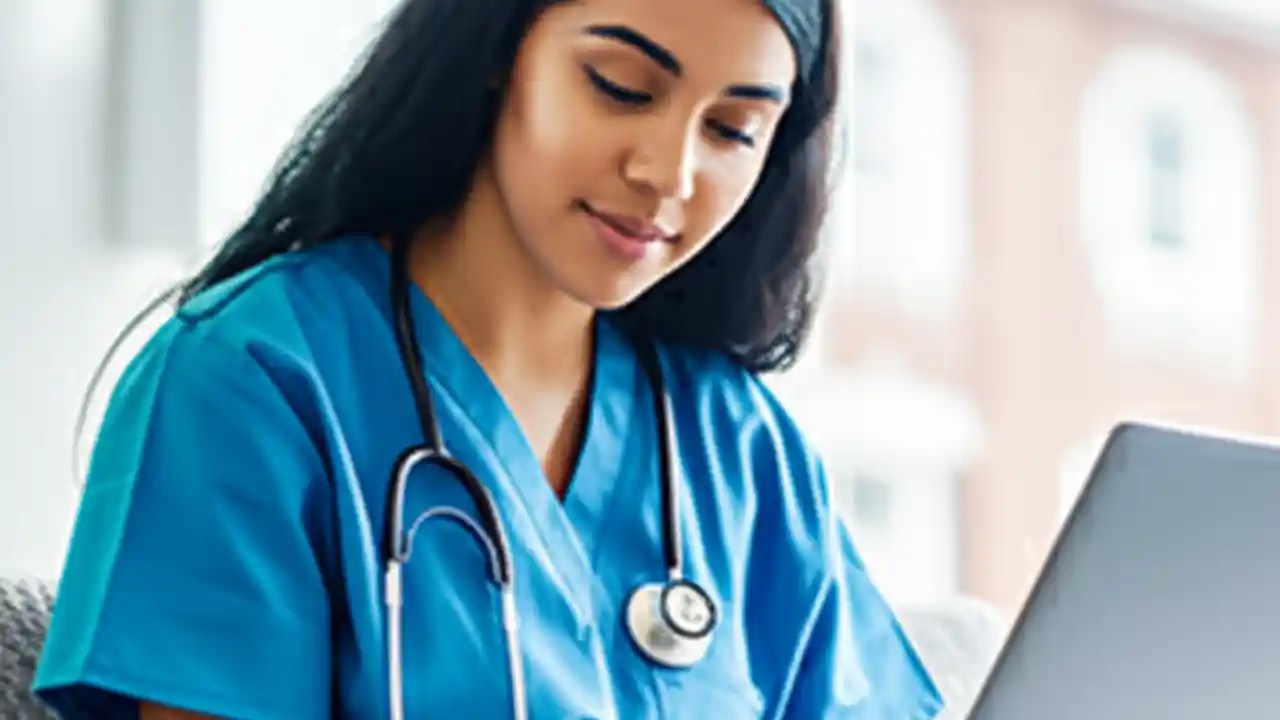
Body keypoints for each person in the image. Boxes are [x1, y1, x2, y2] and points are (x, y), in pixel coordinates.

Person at [33, 0, 943, 717]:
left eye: (733, 130)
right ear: (501, 46)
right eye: (621, 86)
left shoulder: (740, 446)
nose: (668, 172)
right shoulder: (251, 383)